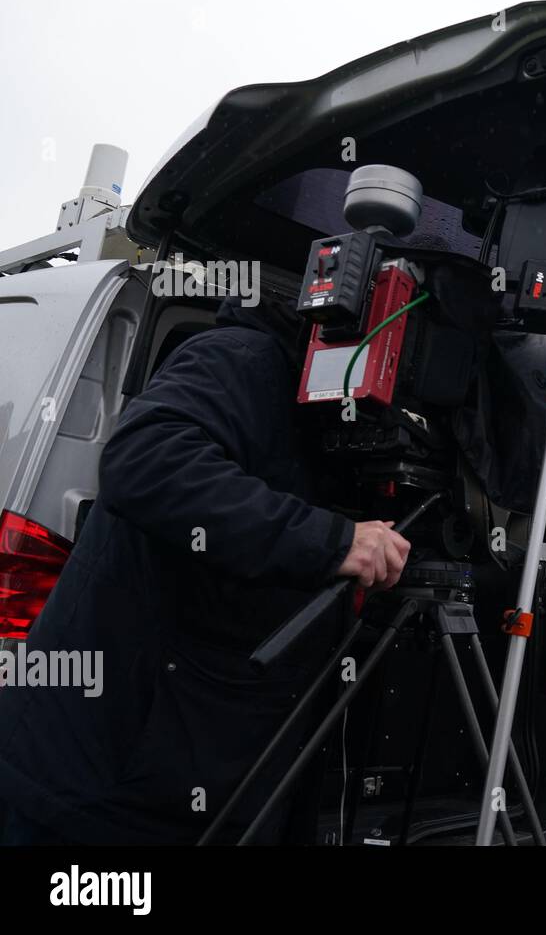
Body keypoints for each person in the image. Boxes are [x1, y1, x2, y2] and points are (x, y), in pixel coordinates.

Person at [0, 286, 411, 845]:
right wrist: (329, 541)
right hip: (99, 793)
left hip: (219, 778)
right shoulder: (241, 356)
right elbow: (145, 459)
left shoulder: (327, 418)